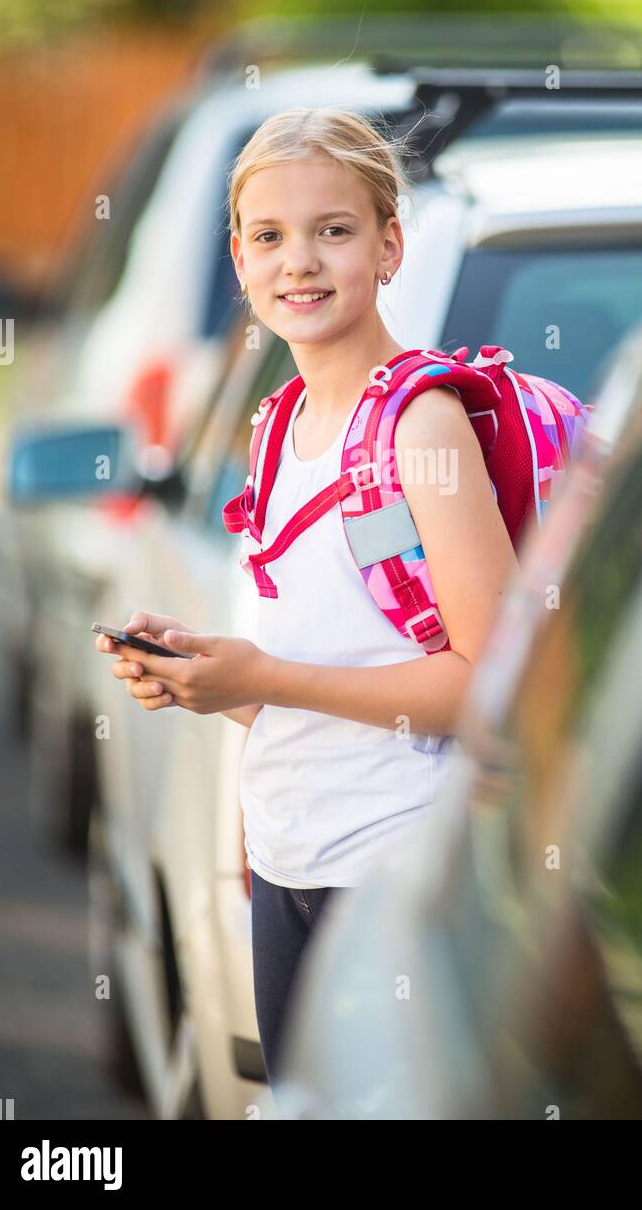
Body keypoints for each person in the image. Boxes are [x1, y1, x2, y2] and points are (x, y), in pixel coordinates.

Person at [95, 105, 516, 1094]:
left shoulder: (421, 425)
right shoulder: (279, 424)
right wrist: (212, 679)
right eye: (270, 236)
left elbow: (483, 684)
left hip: (394, 878)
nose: (301, 263)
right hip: (292, 867)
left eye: (333, 230)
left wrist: (264, 678)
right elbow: (333, 661)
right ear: (237, 260)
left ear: (388, 245)